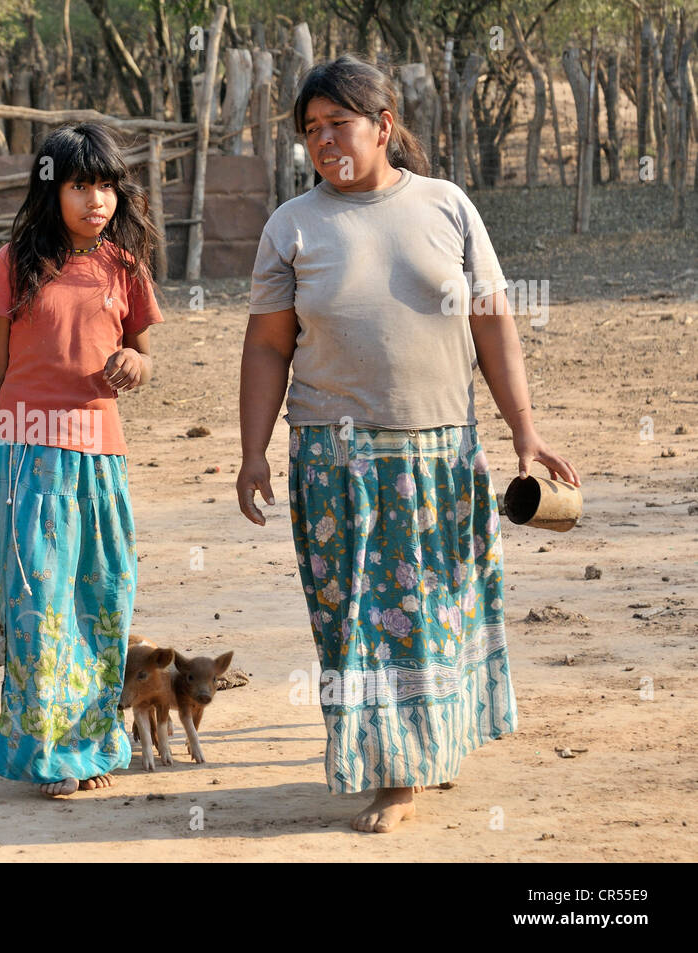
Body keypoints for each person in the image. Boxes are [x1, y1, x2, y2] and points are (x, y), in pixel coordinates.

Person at [237, 55, 580, 833]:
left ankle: (424, 750)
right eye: (311, 130)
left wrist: (526, 431)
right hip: (337, 462)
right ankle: (394, 772)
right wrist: (253, 449)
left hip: (439, 455)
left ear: (383, 126)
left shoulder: (446, 207)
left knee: (432, 613)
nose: (324, 142)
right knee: (356, 619)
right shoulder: (292, 226)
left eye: (339, 125)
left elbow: (493, 326)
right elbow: (266, 348)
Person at [0, 122, 163, 797]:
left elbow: (142, 352)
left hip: (100, 459)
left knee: (104, 598)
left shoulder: (125, 267)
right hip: (25, 457)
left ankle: (93, 742)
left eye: (106, 184)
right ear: (52, 189)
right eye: (80, 185)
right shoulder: (15, 262)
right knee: (40, 603)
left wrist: (136, 362)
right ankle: (47, 752)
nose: (96, 198)